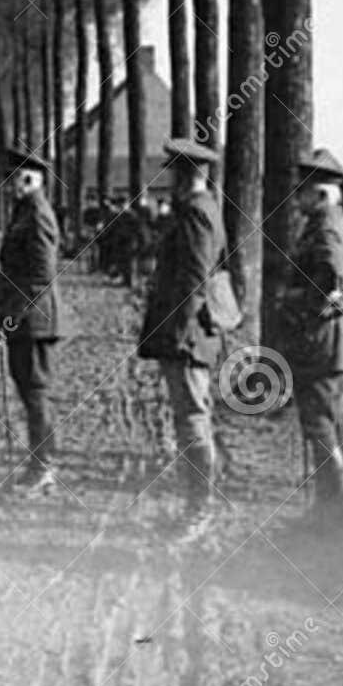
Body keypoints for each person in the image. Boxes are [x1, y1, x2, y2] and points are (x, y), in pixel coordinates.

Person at [138, 138, 229, 527]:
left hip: (189, 335)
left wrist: (175, 333)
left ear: (184, 175)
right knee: (190, 418)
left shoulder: (196, 212)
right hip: (188, 331)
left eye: (174, 171)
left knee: (192, 419)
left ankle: (200, 508)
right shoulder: (200, 209)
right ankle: (198, 500)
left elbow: (194, 280)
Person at [0, 146, 62, 493]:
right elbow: (15, 271)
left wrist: (12, 313)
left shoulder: (37, 214)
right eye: (9, 179)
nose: (8, 186)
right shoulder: (25, 212)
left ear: (32, 179)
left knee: (36, 396)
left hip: (33, 322)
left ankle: (44, 467)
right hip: (24, 320)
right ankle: (39, 466)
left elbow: (40, 276)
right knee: (29, 394)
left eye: (15, 179)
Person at [284, 148, 343, 518]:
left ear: (322, 194)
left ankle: (334, 508)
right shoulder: (325, 224)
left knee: (321, 424)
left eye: (304, 192)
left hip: (322, 345)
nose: (298, 199)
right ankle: (329, 503)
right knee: (322, 423)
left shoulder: (327, 228)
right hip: (321, 341)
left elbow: (331, 290)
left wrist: (303, 314)